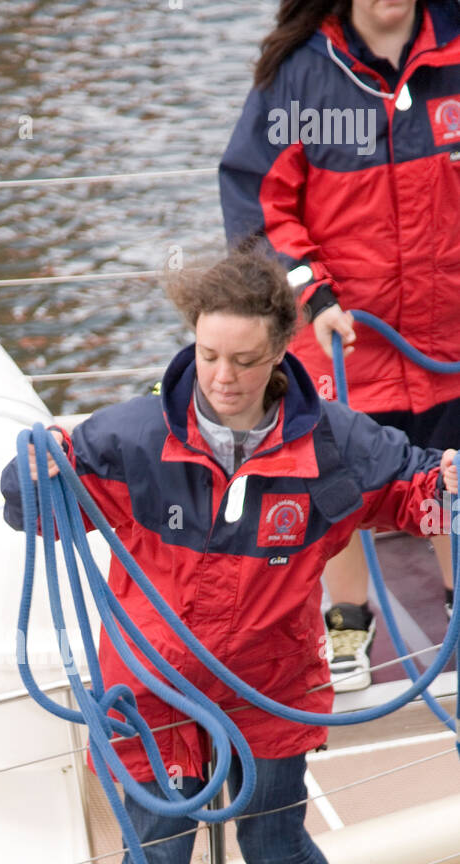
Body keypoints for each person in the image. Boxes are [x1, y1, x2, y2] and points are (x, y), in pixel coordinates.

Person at [0, 248, 456, 864]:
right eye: (209, 356)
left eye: (245, 361)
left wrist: (446, 486)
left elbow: (417, 488)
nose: (223, 377)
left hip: (269, 691)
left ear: (282, 353)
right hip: (155, 694)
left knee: (275, 844)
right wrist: (31, 470)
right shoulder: (132, 438)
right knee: (155, 860)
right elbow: (30, 508)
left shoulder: (334, 446)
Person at [220, 0, 460, 691]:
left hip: (446, 344)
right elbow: (259, 206)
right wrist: (310, 296)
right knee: (338, 490)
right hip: (339, 342)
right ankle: (349, 623)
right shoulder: (299, 78)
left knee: (446, 478)